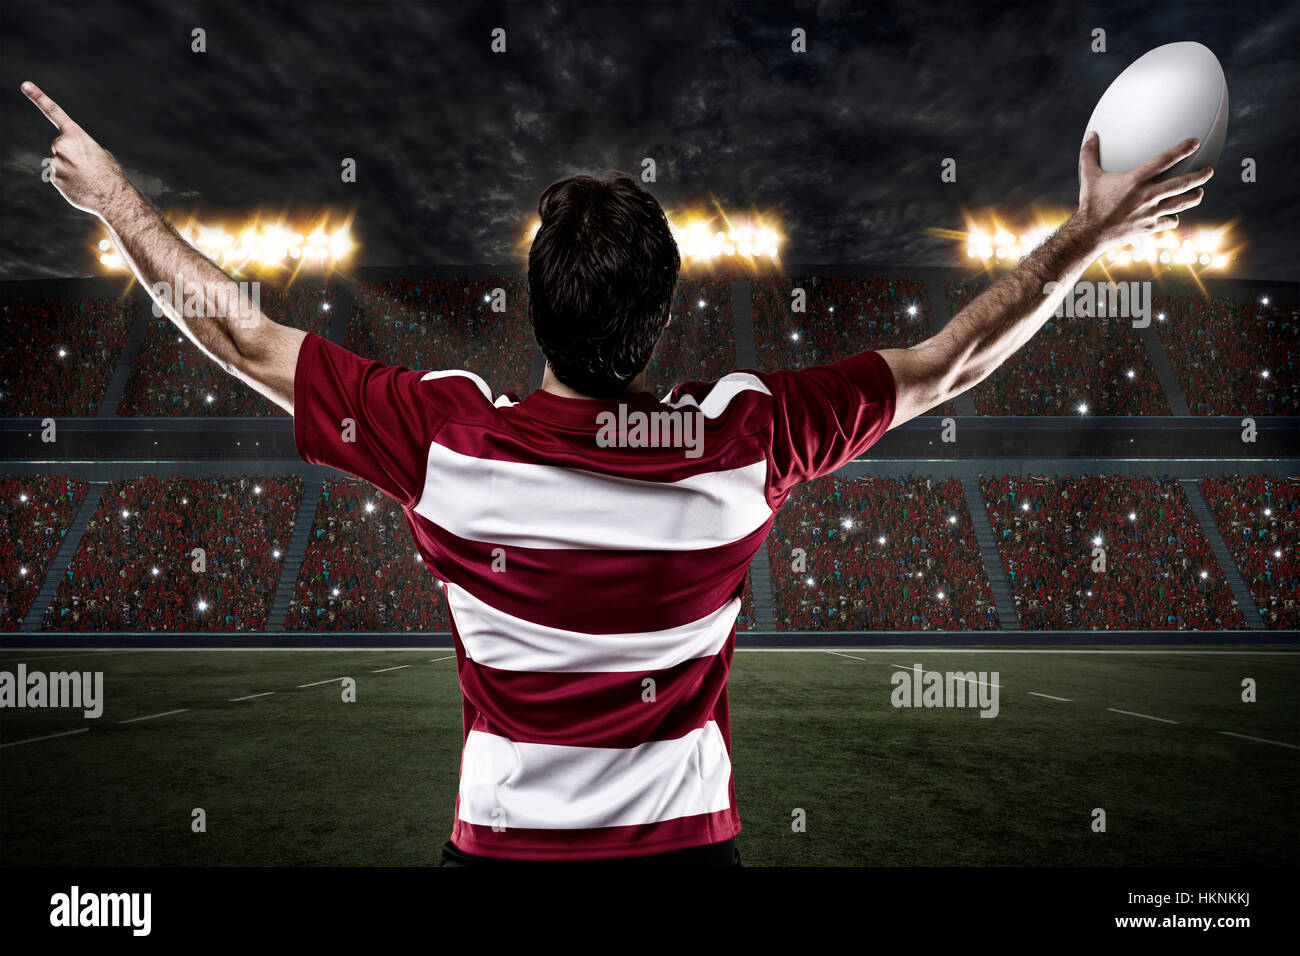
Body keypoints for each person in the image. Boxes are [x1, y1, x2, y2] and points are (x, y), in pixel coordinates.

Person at [20, 79, 1212, 865]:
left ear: (533, 312)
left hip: (499, 852)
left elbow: (236, 336)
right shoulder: (740, 442)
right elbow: (948, 363)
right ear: (661, 325)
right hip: (686, 856)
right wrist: (1092, 231)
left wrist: (114, 195)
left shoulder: (448, 443)